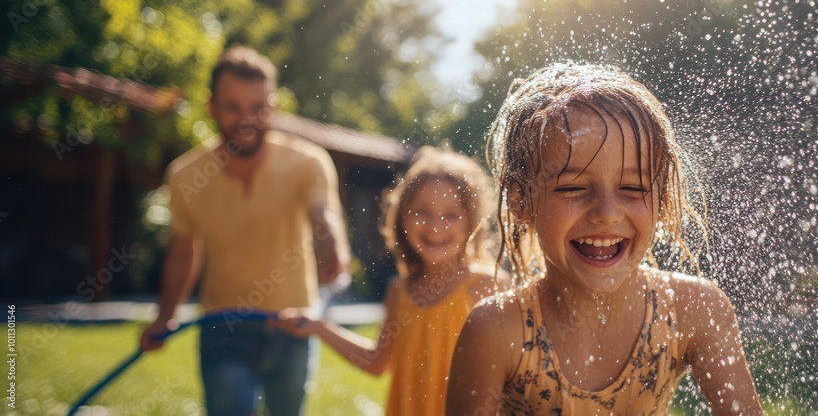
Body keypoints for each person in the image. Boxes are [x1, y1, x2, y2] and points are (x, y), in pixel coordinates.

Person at [446, 63, 763, 415]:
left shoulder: (693, 310)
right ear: (521, 202)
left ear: (663, 198)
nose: (607, 213)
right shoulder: (498, 330)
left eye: (633, 188)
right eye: (573, 188)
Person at [139, 45, 352, 416]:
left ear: (272, 106)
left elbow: (324, 214)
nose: (247, 119)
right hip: (224, 326)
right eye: (233, 107)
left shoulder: (308, 162)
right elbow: (184, 251)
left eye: (258, 107)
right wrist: (164, 315)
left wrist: (331, 247)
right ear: (212, 108)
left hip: (293, 325)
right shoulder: (186, 175)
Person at [272, 146, 509, 415]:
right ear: (402, 217)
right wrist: (319, 327)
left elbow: (510, 377)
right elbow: (377, 362)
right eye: (421, 211)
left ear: (472, 222)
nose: (435, 225)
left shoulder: (488, 285)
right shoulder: (399, 291)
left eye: (451, 214)